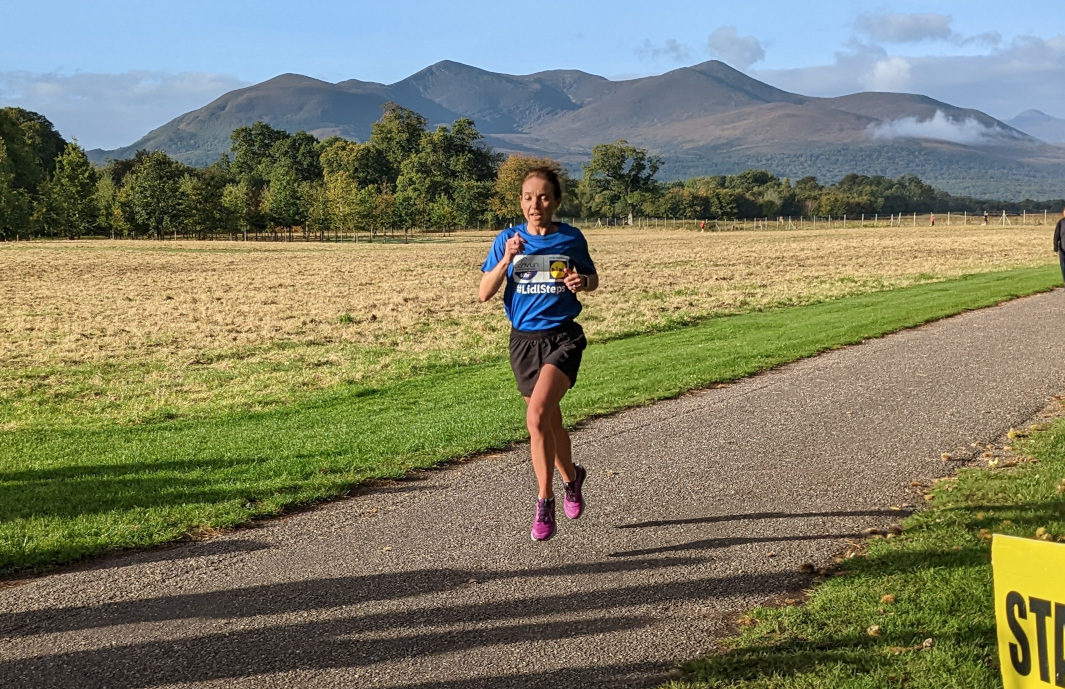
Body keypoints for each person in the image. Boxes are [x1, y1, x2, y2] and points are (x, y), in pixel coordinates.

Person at [479, 168, 599, 541]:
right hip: (523, 343)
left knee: (536, 418)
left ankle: (544, 501)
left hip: (563, 338)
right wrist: (507, 259)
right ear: (520, 202)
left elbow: (592, 279)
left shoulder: (570, 238)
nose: (536, 204)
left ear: (556, 201)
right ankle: (571, 477)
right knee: (550, 423)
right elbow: (484, 292)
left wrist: (583, 282)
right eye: (528, 197)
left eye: (544, 197)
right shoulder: (507, 240)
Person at [1054, 208, 1065, 284]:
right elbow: (1056, 235)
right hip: (1062, 249)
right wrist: (1055, 248)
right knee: (1063, 266)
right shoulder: (1060, 223)